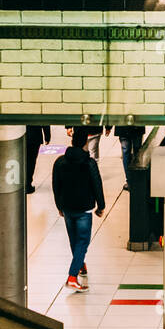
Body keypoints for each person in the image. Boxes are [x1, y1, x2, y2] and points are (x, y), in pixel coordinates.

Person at [52, 127, 104, 292]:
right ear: (85, 143)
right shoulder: (89, 164)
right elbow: (97, 185)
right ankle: (72, 277)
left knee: (74, 240)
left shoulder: (60, 162)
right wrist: (100, 206)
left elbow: (56, 186)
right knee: (82, 241)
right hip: (84, 209)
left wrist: (59, 206)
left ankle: (80, 265)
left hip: (67, 207)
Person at [114, 124, 146, 190]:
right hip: (137, 126)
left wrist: (108, 127)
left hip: (123, 126)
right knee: (137, 152)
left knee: (126, 153)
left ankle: (130, 182)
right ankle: (137, 180)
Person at [25, 124, 51, 194]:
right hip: (35, 136)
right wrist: (47, 136)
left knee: (22, 160)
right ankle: (27, 184)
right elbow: (44, 121)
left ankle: (21, 183)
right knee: (31, 161)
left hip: (22, 135)